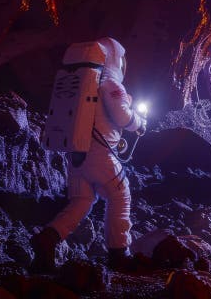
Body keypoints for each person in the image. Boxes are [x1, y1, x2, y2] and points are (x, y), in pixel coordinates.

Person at [31, 37, 146, 272]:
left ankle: (47, 240)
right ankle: (118, 253)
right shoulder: (110, 84)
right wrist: (140, 121)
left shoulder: (84, 82)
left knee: (81, 201)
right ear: (115, 58)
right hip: (100, 154)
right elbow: (123, 117)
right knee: (120, 196)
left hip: (76, 153)